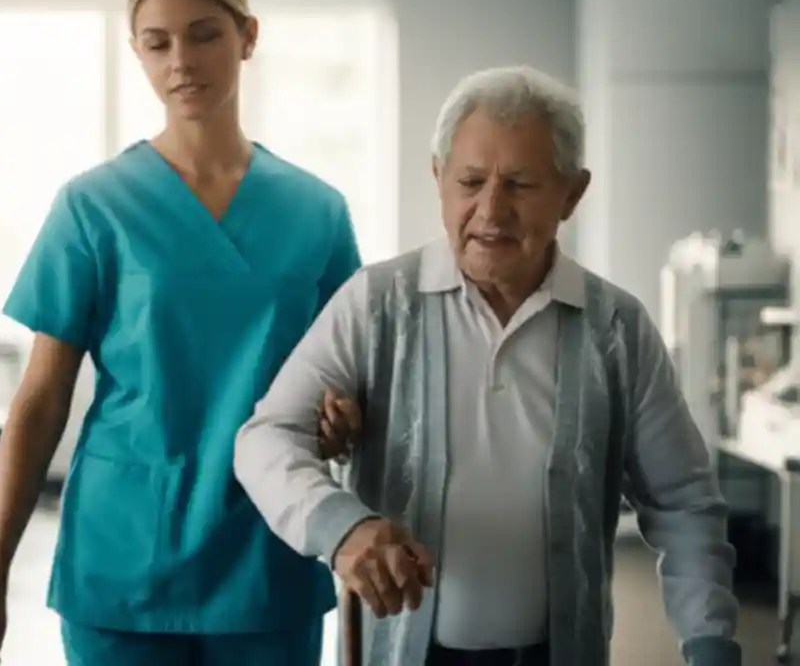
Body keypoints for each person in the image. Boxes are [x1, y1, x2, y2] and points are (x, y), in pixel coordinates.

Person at [233, 65, 741, 666]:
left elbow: (683, 503)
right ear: (438, 179)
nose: (490, 210)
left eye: (521, 184)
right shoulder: (376, 303)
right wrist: (340, 528)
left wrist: (709, 643)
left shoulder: (616, 329)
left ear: (572, 194)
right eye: (470, 181)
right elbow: (265, 439)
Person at [0, 0, 365, 664]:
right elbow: (41, 402)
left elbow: (351, 385)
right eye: (158, 41)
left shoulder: (317, 213)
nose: (182, 60)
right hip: (123, 558)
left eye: (205, 33)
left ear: (248, 37)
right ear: (135, 50)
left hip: (268, 550)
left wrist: (345, 419)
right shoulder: (93, 207)